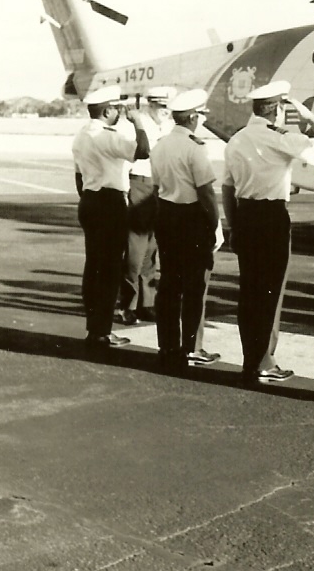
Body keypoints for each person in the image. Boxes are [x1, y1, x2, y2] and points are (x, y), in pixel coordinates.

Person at [221, 80, 314, 386]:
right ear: (274, 108)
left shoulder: (237, 140)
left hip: (244, 215)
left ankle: (250, 360)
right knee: (271, 291)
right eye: (282, 107)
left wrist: (234, 226)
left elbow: (227, 189)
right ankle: (264, 362)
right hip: (270, 217)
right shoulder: (277, 137)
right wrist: (312, 121)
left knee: (250, 292)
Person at [71, 84, 149, 350]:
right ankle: (101, 332)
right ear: (106, 111)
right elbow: (143, 151)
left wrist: (89, 198)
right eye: (116, 108)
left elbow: (79, 175)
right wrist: (138, 123)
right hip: (109, 202)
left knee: (93, 268)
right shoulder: (107, 136)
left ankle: (95, 327)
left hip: (90, 200)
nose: (119, 112)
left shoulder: (82, 135)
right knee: (109, 270)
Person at [151, 88, 222, 372]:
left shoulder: (160, 146)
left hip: (166, 215)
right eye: (201, 115)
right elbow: (206, 192)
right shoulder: (195, 147)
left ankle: (167, 345)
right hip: (191, 218)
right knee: (194, 286)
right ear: (192, 117)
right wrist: (216, 225)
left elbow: (157, 188)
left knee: (169, 283)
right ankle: (192, 347)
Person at [116, 85, 174, 326]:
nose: (166, 112)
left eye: (168, 108)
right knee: (134, 252)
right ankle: (126, 305)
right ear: (151, 104)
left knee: (152, 250)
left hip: (160, 188)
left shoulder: (169, 127)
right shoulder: (134, 126)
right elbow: (125, 162)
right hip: (139, 185)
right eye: (161, 107)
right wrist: (126, 192)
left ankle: (146, 304)